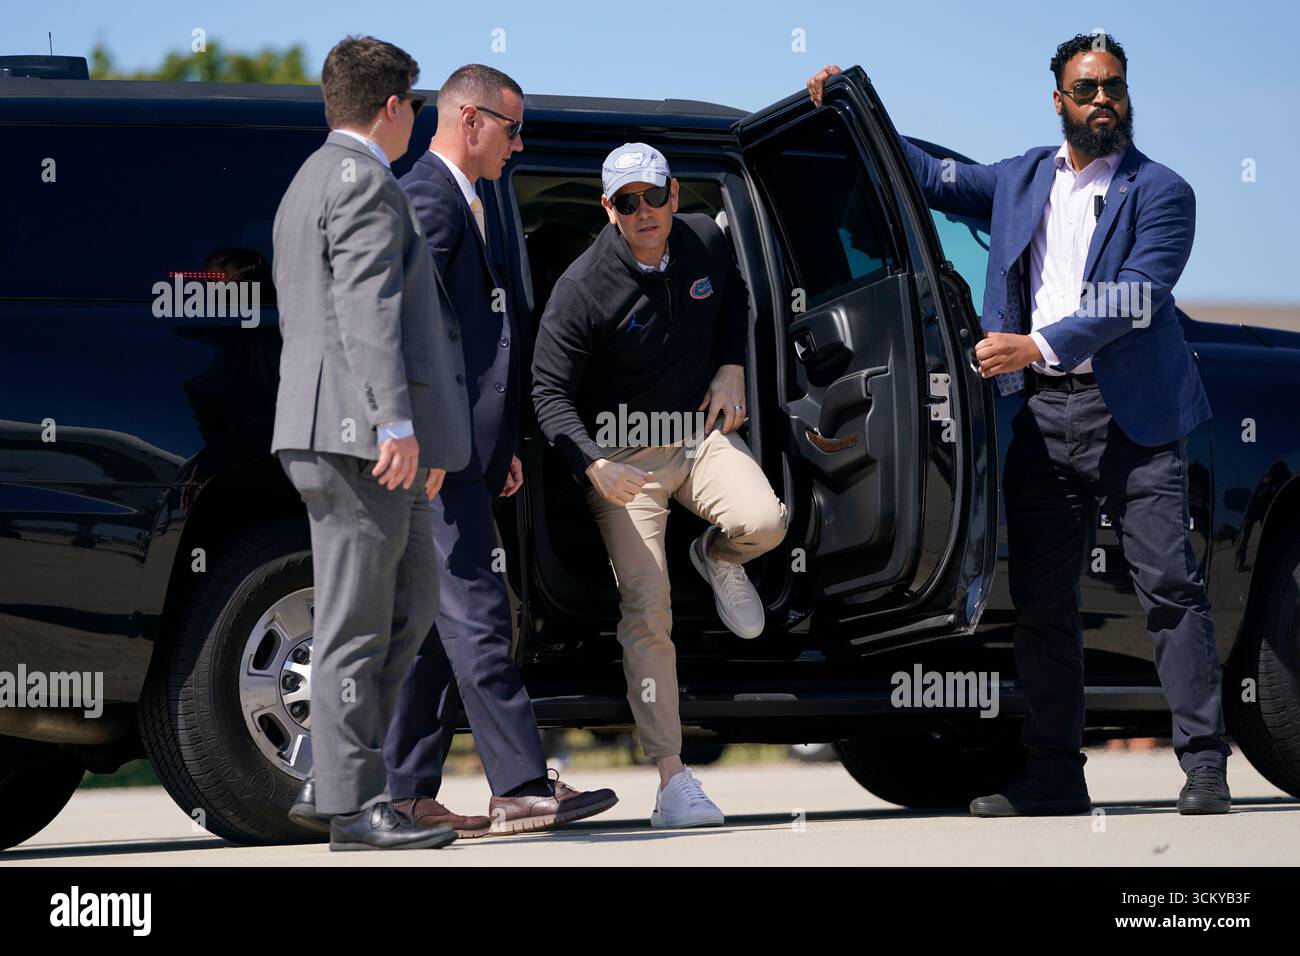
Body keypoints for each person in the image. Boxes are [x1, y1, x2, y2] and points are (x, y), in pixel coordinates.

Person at [809, 32, 1231, 816]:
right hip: (1044, 416)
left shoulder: (1162, 191)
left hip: (1134, 420)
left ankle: (1205, 764)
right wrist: (848, 110)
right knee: (1041, 604)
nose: (1102, 99)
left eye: (1113, 86)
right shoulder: (1022, 177)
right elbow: (930, 177)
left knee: (1170, 590)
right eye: (1086, 88)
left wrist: (1034, 344)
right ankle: (1053, 775)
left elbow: (1134, 296)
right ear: (1059, 100)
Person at [386, 63, 617, 836]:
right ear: (472, 121)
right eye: (514, 129)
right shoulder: (429, 192)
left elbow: (479, 335)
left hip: (466, 450)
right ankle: (520, 784)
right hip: (435, 456)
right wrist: (421, 436)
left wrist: (502, 442)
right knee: (479, 614)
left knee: (432, 629)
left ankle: (406, 792)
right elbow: (402, 321)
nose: (520, 145)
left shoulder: (470, 198)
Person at [532, 143, 788, 827]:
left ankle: (718, 556)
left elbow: (733, 295)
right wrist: (593, 463)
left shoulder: (703, 238)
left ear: (675, 194)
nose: (643, 212)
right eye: (626, 202)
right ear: (608, 210)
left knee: (766, 521)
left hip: (698, 440)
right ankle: (673, 781)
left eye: (653, 196)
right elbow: (547, 392)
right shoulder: (582, 287)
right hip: (623, 460)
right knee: (648, 611)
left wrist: (731, 364)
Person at [271, 35, 472, 850]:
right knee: (361, 619)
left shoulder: (309, 181)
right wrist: (393, 421)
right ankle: (355, 807)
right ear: (392, 107)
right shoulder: (361, 180)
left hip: (359, 438)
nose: (416, 119)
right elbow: (365, 309)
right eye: (415, 105)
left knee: (409, 602)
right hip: (359, 437)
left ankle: (335, 773)